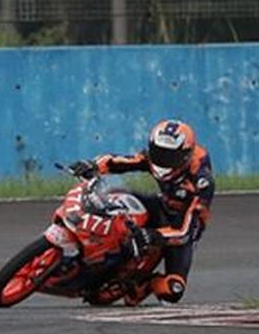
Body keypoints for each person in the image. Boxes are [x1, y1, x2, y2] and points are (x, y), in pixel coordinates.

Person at [68, 119, 213, 305]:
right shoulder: (154, 157)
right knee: (117, 197)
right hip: (161, 206)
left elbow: (186, 230)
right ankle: (93, 240)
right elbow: (123, 162)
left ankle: (146, 283)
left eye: (169, 157)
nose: (162, 161)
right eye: (158, 153)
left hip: (180, 229)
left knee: (173, 290)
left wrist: (153, 235)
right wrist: (94, 166)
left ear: (185, 156)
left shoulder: (202, 181)